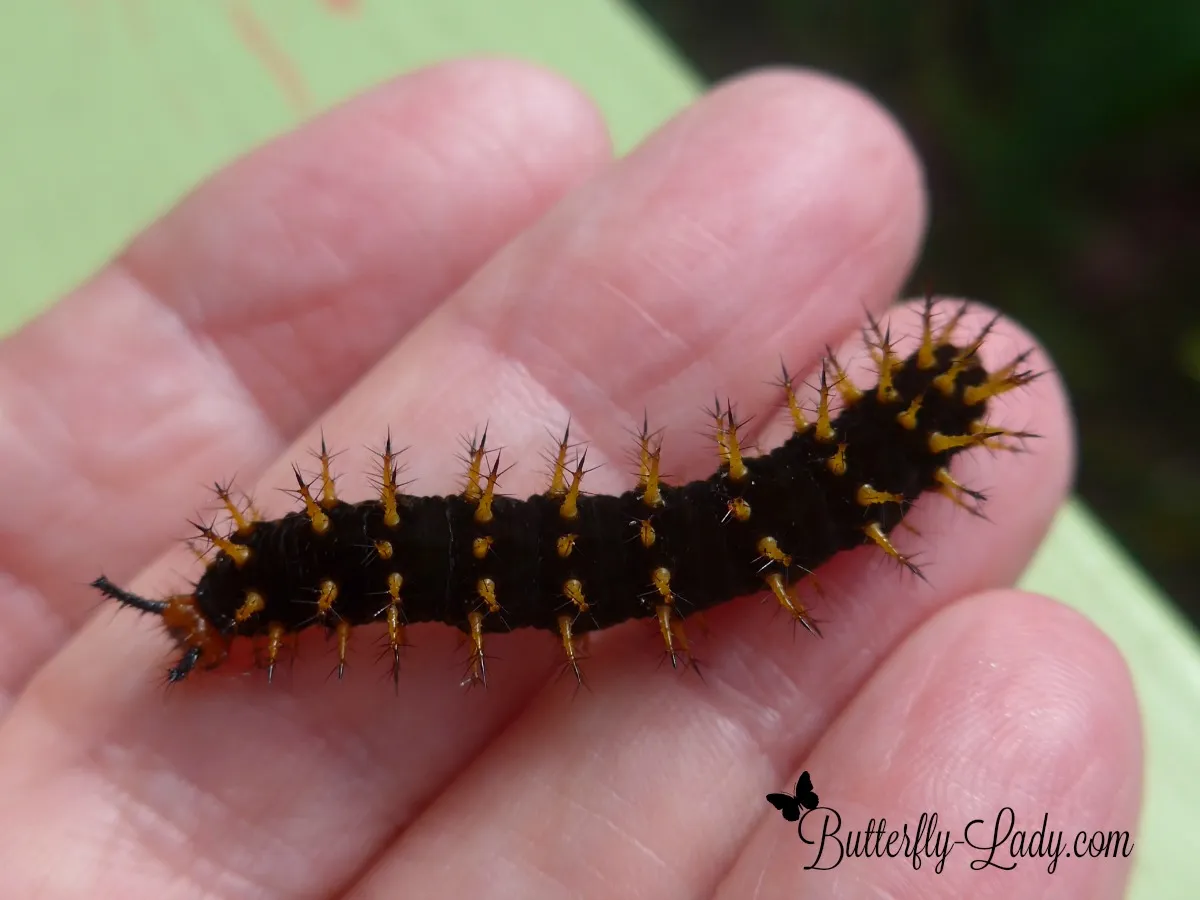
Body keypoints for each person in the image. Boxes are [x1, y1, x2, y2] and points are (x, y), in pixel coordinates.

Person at [0, 59, 1139, 898]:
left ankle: (886, 448)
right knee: (631, 546)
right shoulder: (340, 571)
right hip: (704, 535)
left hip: (757, 523)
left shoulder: (348, 572)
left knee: (685, 538)